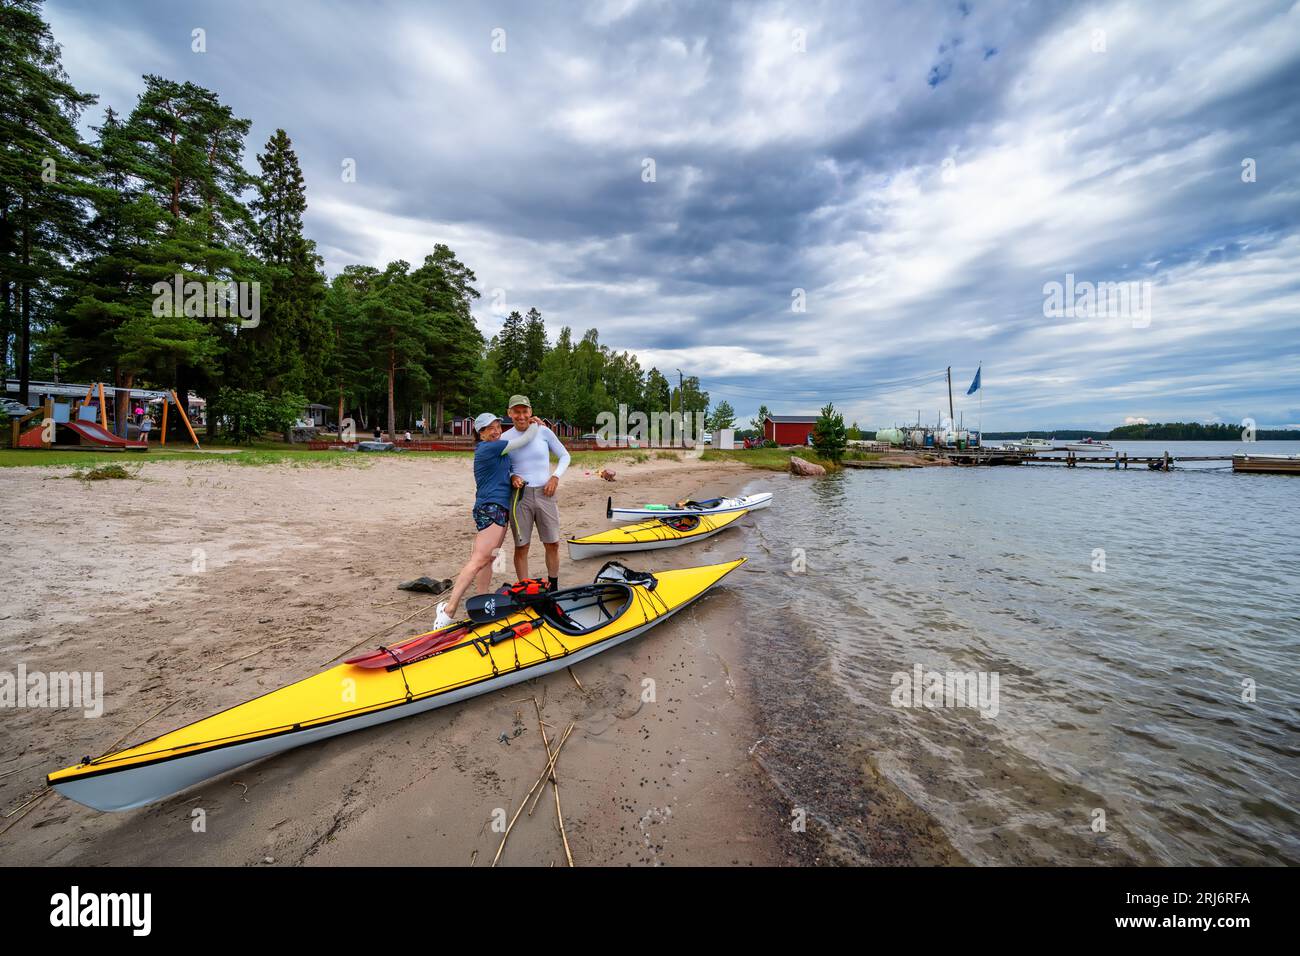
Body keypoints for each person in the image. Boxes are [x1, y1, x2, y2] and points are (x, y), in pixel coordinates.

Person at [433, 412, 541, 628]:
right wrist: (534, 425)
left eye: (498, 427)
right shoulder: (489, 447)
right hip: (491, 508)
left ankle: (482, 599)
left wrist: (513, 477)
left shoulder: (497, 448)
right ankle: (448, 610)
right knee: (479, 560)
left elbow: (505, 471)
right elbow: (525, 439)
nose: (496, 431)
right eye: (490, 428)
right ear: (480, 434)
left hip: (496, 507)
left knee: (490, 557)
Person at [499, 395, 570, 591]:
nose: (521, 416)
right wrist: (513, 476)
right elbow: (501, 467)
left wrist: (555, 477)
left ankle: (553, 586)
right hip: (519, 496)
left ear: (530, 412)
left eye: (525, 411)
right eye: (516, 411)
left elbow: (565, 455)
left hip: (546, 493)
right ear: (509, 413)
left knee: (553, 543)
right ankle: (524, 588)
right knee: (522, 546)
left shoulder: (543, 431)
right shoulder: (505, 439)